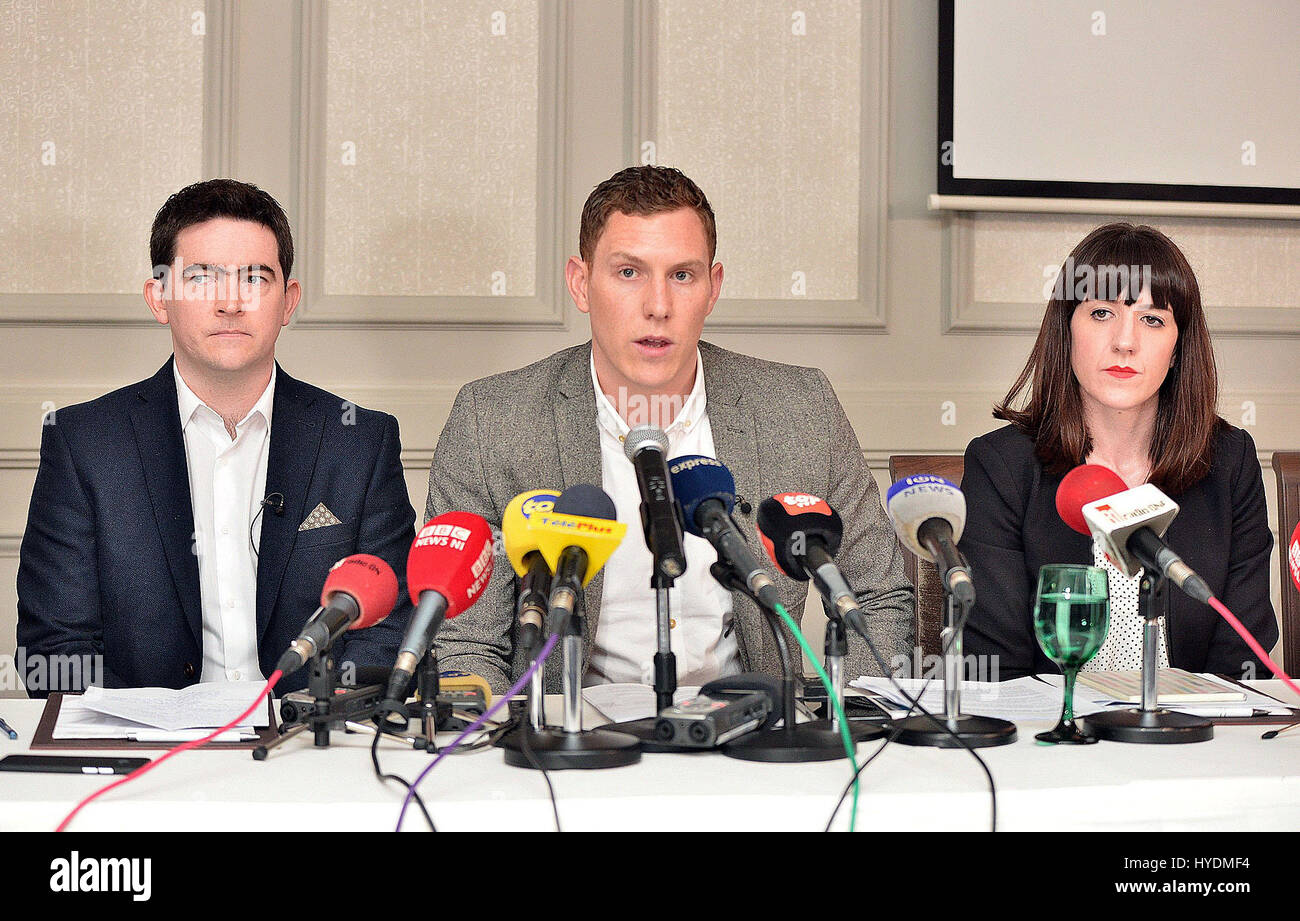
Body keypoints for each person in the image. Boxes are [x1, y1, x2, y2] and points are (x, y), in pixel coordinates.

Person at [427, 165, 914, 694]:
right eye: (629, 273)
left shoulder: (799, 408)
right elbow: (466, 641)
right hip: (572, 746)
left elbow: (879, 594)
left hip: (751, 740)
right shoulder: (492, 418)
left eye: (682, 275)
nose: (658, 307)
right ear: (580, 283)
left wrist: (857, 721)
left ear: (713, 288)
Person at [17, 179, 416, 697]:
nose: (231, 303)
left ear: (287, 300)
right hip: (147, 756)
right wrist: (156, 734)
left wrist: (307, 724)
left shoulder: (361, 442)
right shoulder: (86, 444)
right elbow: (55, 647)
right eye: (202, 277)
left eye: (255, 278)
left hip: (313, 750)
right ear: (160, 297)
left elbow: (388, 631)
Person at [959, 222, 1277, 681]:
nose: (1125, 342)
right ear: (1066, 330)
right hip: (1053, 741)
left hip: (1191, 740)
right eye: (1102, 313)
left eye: (1152, 320)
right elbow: (997, 671)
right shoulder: (1001, 466)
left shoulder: (1230, 462)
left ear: (1178, 347)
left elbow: (1241, 660)